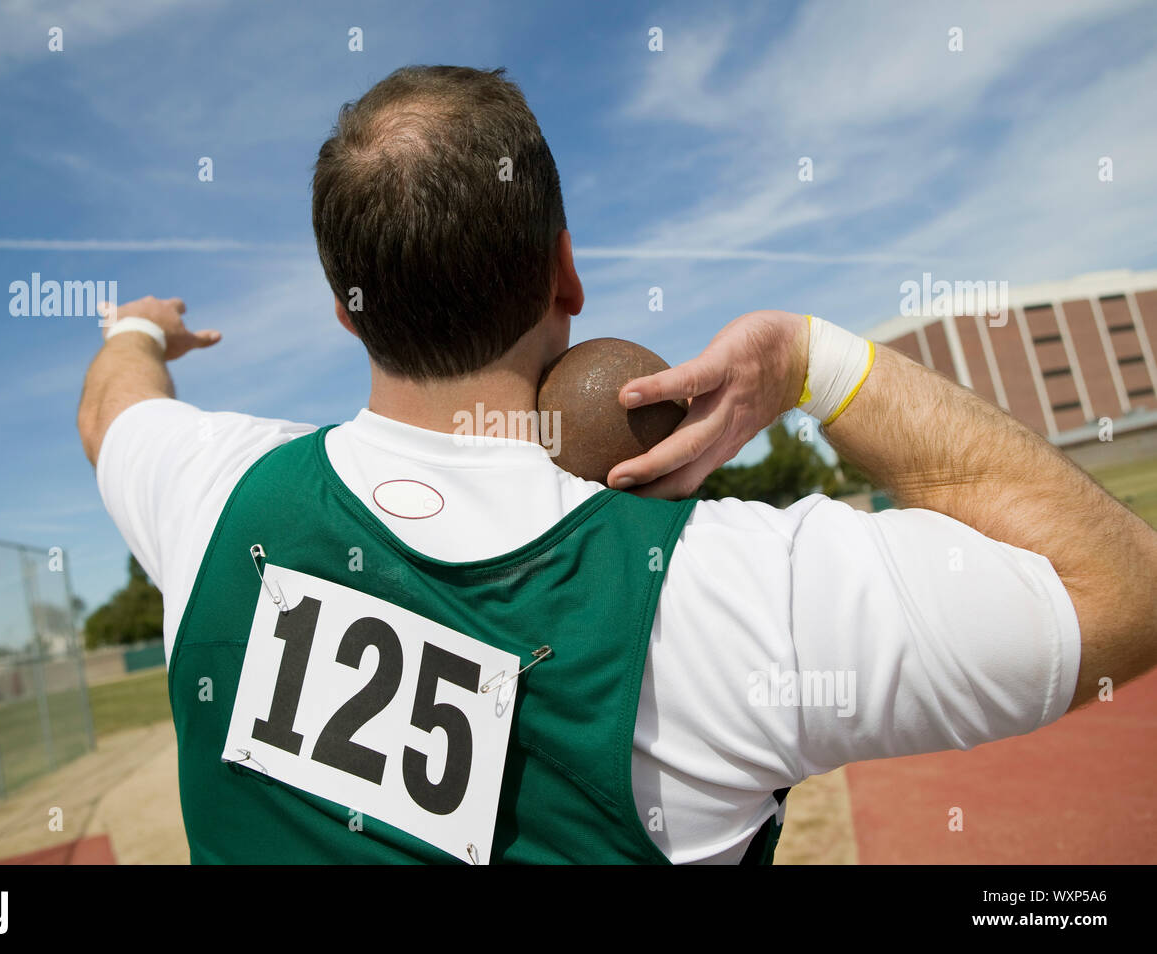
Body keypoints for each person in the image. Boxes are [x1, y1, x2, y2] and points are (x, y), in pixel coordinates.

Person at [77, 65, 1157, 864]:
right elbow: (1122, 593)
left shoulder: (213, 495)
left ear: (342, 308)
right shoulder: (715, 590)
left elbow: (111, 412)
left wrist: (137, 329)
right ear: (565, 271)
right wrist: (810, 362)